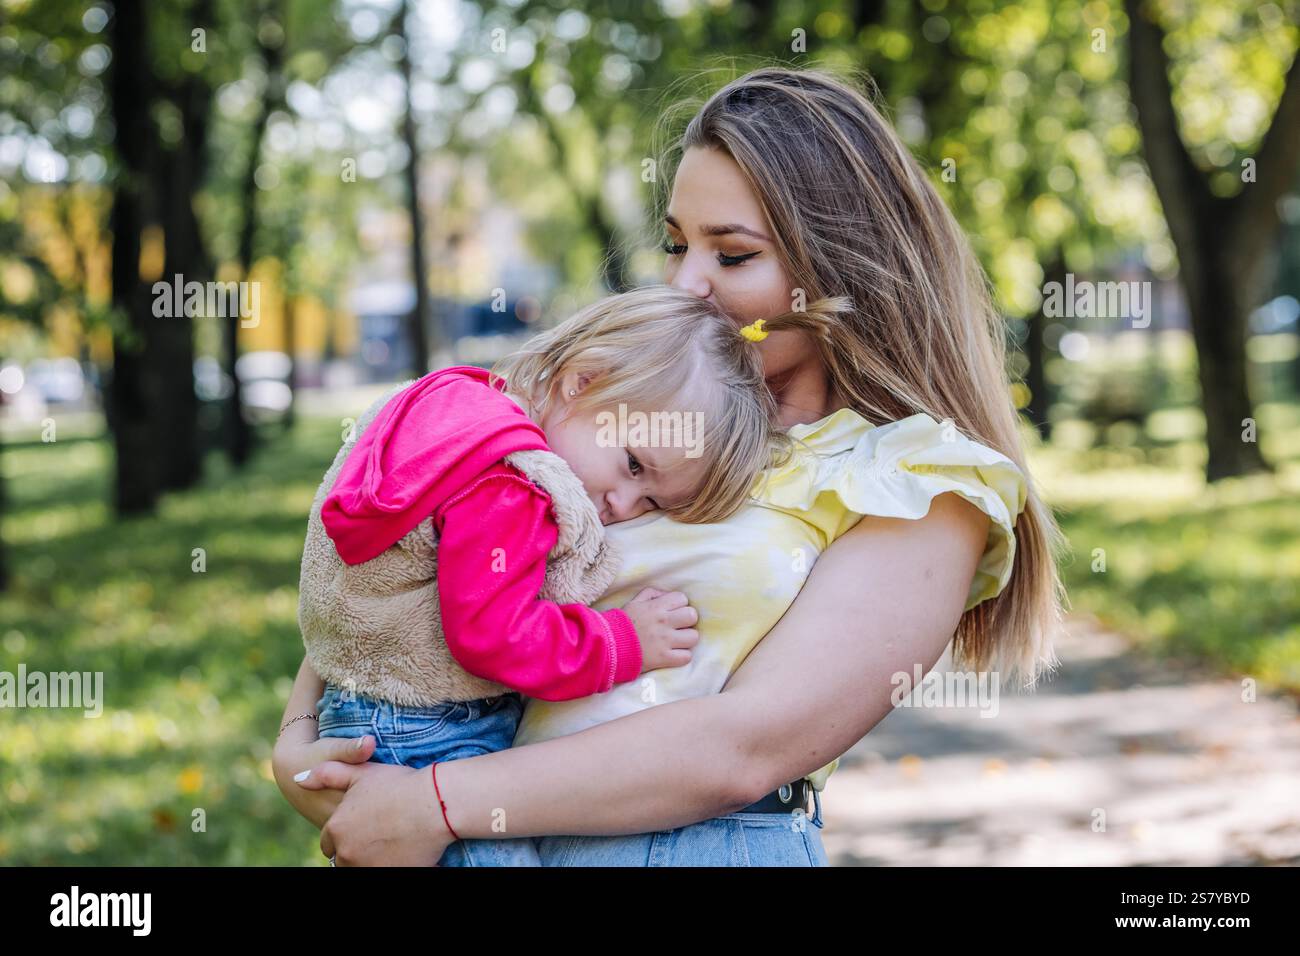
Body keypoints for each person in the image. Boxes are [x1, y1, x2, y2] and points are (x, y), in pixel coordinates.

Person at [274, 66, 1064, 866]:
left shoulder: (915, 480)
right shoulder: (608, 420)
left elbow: (743, 748)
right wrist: (302, 740)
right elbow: (399, 598)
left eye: (733, 254)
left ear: (841, 265)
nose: (688, 283)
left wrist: (435, 806)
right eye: (677, 244)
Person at [295, 285, 822, 865]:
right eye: (633, 465)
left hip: (368, 711)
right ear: (582, 383)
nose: (624, 504)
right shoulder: (513, 483)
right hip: (432, 734)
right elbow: (492, 634)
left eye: (651, 502)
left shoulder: (460, 407)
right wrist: (623, 643)